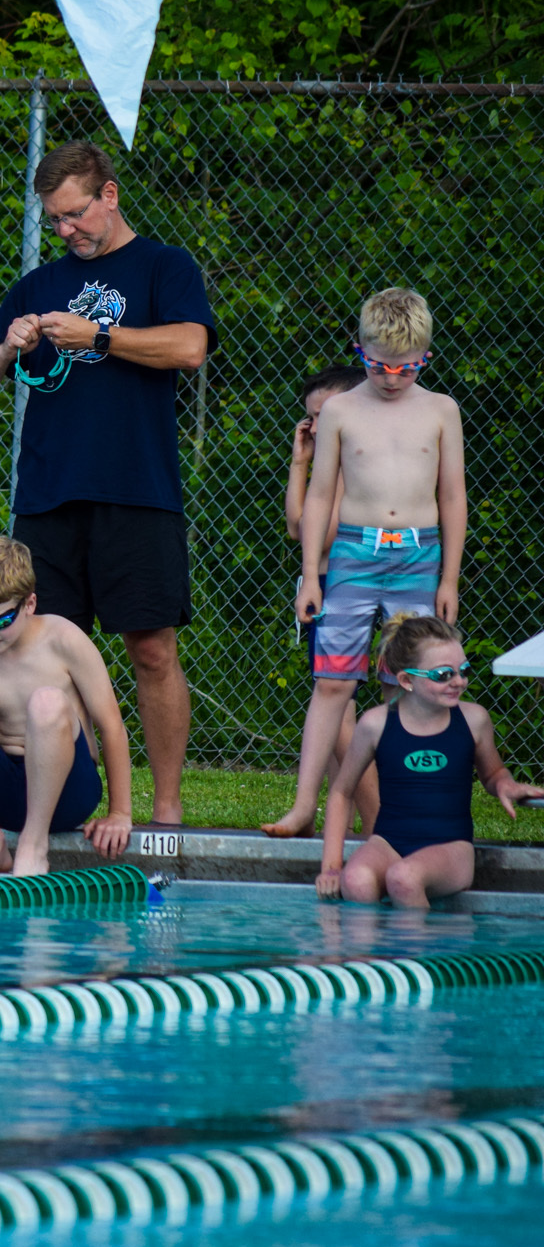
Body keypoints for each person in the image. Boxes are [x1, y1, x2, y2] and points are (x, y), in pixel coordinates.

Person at [0, 141, 215, 827]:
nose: (66, 229)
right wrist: (9, 346)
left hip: (138, 489)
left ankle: (165, 810)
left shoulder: (164, 265)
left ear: (110, 194)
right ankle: (75, 806)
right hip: (49, 495)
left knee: (152, 649)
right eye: (54, 219)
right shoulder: (39, 283)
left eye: (75, 213)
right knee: (45, 653)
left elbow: (190, 348)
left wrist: (99, 336)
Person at [268, 289, 466, 838]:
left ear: (425, 357)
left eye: (407, 367)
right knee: (332, 683)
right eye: (379, 366)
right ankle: (303, 806)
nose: (393, 378)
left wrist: (449, 578)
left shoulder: (441, 410)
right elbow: (319, 496)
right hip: (353, 556)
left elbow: (453, 496)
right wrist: (312, 576)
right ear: (360, 351)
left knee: (409, 685)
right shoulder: (341, 410)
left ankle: (404, 815)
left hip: (419, 555)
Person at [0, 537, 136, 877]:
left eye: (0, 622)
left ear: (29, 604)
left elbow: (112, 727)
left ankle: (34, 846)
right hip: (3, 797)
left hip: (68, 793)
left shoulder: (64, 640)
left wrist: (120, 813)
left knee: (46, 702)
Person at [316, 616, 541, 907]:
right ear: (407, 680)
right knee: (355, 880)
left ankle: (423, 939)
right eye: (443, 674)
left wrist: (505, 785)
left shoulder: (473, 720)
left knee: (404, 878)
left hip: (450, 848)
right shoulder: (376, 724)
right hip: (388, 843)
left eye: (463, 670)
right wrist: (332, 867)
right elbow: (341, 791)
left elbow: (492, 773)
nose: (458, 681)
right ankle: (368, 939)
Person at [285, 365, 379, 830]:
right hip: (324, 584)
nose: (316, 427)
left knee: (338, 712)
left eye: (323, 415)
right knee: (338, 708)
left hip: (343, 588)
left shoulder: (352, 463)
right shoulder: (327, 460)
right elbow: (295, 527)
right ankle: (339, 825)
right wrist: (299, 463)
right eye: (311, 418)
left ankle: (379, 821)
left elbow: (314, 534)